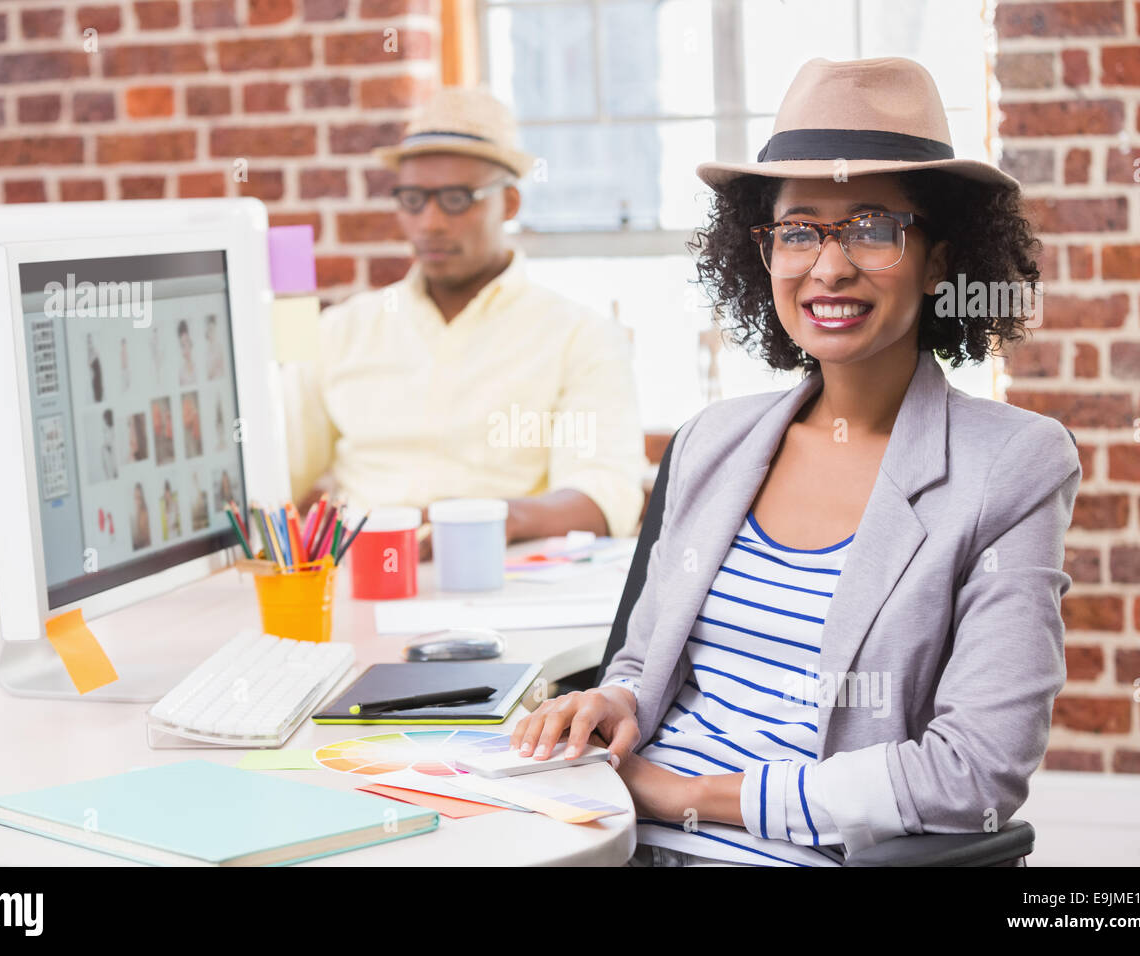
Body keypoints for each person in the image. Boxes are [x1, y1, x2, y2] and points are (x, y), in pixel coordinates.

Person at [511, 57, 1080, 867]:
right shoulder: (714, 441)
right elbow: (645, 658)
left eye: (874, 227)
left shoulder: (1011, 465)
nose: (829, 265)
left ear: (941, 260)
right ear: (765, 250)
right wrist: (613, 701)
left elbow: (974, 775)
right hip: (609, 834)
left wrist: (688, 796)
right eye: (800, 229)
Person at [283, 87, 647, 545]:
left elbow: (605, 495)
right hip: (367, 585)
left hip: (510, 589)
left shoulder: (580, 334)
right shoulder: (341, 331)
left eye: (457, 198)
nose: (431, 222)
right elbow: (273, 477)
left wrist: (487, 520)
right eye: (413, 199)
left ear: (510, 203)